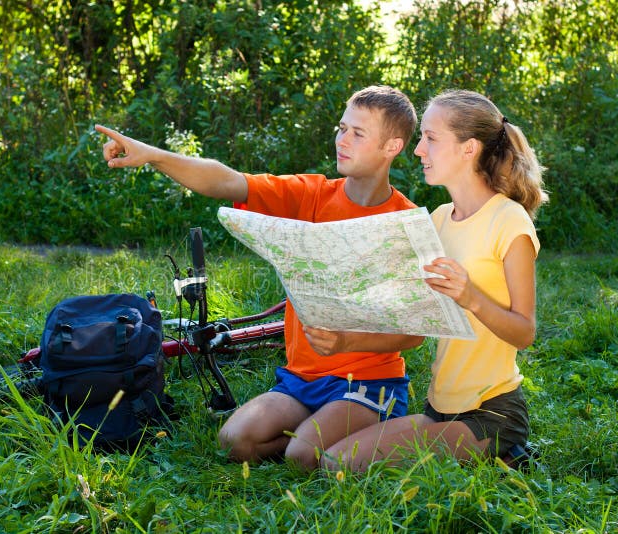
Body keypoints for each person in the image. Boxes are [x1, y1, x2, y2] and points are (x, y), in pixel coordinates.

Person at [97, 85, 424, 470]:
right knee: (234, 440)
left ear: (392, 147)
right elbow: (228, 180)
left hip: (368, 382)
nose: (342, 140)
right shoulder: (312, 195)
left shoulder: (405, 223)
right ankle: (314, 431)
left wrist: (346, 340)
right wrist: (152, 155)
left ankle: (351, 431)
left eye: (358, 133)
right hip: (301, 380)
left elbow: (415, 334)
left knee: (302, 456)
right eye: (341, 128)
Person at [318, 89, 548, 472]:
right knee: (329, 457)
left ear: (468, 148)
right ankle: (489, 460)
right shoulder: (439, 219)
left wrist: (470, 296)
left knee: (342, 467)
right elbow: (411, 313)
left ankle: (508, 452)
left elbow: (525, 333)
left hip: (491, 413)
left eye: (430, 138)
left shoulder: (509, 222)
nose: (419, 149)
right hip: (439, 407)